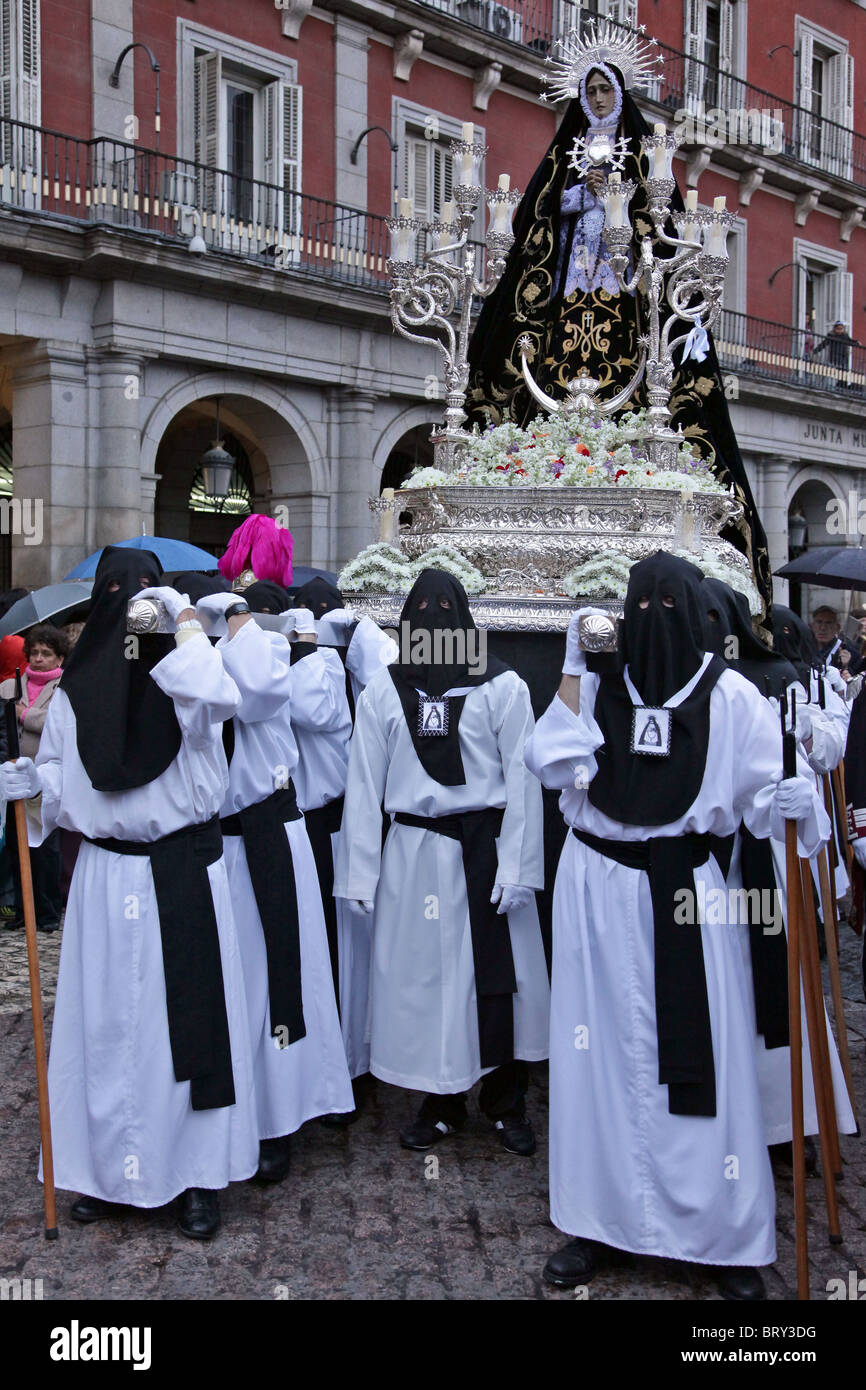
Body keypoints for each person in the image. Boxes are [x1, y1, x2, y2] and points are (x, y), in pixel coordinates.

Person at [523, 552, 829, 1300]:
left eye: (670, 604)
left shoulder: (731, 698)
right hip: (596, 889)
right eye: (641, 605)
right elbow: (550, 763)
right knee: (597, 1062)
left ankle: (720, 1238)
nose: (653, 619)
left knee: (702, 1058)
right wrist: (572, 663)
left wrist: (796, 800)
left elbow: (765, 802)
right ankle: (599, 1221)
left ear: (694, 614)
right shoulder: (597, 687)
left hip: (688, 895)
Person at [464, 27, 772, 613]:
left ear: (621, 93)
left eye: (608, 89)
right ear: (581, 96)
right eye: (593, 89)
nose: (601, 98)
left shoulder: (643, 155)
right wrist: (583, 194)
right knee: (550, 360)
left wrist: (621, 201)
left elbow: (665, 228)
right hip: (570, 278)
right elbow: (538, 214)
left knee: (633, 357)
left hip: (624, 282)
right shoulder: (564, 154)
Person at [0, 547, 261, 1238]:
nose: (132, 605)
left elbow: (219, 693)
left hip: (181, 873)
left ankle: (196, 1178)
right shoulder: (78, 695)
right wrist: (33, 789)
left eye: (145, 591)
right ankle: (106, 1173)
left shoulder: (188, 686)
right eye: (119, 594)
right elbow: (60, 777)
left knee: (184, 1034)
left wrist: (178, 617)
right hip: (105, 879)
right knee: (107, 1032)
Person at [334, 570, 550, 1154]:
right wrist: (358, 873)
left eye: (444, 607)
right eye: (420, 607)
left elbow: (523, 780)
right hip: (413, 853)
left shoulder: (502, 686)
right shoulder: (383, 689)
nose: (432, 617)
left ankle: (506, 1102)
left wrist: (518, 866)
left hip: (485, 853)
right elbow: (362, 785)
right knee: (429, 984)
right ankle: (441, 1101)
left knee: (496, 979)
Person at [191, 580, 354, 1184]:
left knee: (275, 977)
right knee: (225, 981)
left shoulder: (274, 660)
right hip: (214, 845)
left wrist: (248, 626)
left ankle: (279, 1114)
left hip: (267, 835)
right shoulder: (195, 666)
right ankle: (228, 1103)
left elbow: (269, 697)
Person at [699, 579, 855, 1163]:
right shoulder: (674, 688)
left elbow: (816, 757)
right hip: (697, 865)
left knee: (775, 987)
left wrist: (803, 783)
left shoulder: (775, 683)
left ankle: (790, 1118)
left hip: (759, 858)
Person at [289, 576, 398, 1121]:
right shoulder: (298, 672)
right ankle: (323, 1064)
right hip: (306, 827)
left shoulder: (358, 667)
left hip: (358, 825)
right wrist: (315, 652)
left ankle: (359, 1058)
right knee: (320, 952)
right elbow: (318, 712)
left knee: (357, 948)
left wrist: (354, 638)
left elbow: (388, 675)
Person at [0, 623, 69, 932]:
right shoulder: (9, 687)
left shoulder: (65, 689)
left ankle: (47, 911)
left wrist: (24, 715)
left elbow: (58, 724)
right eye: (35, 653)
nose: (39, 659)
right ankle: (21, 909)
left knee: (44, 847)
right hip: (13, 776)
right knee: (16, 845)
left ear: (59, 658)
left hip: (45, 777)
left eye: (47, 654)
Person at [809, 604, 862, 677]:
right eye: (819, 622)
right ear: (812, 625)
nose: (823, 628)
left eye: (828, 623)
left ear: (837, 627)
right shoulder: (803, 648)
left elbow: (857, 683)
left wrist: (845, 667)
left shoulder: (851, 652)